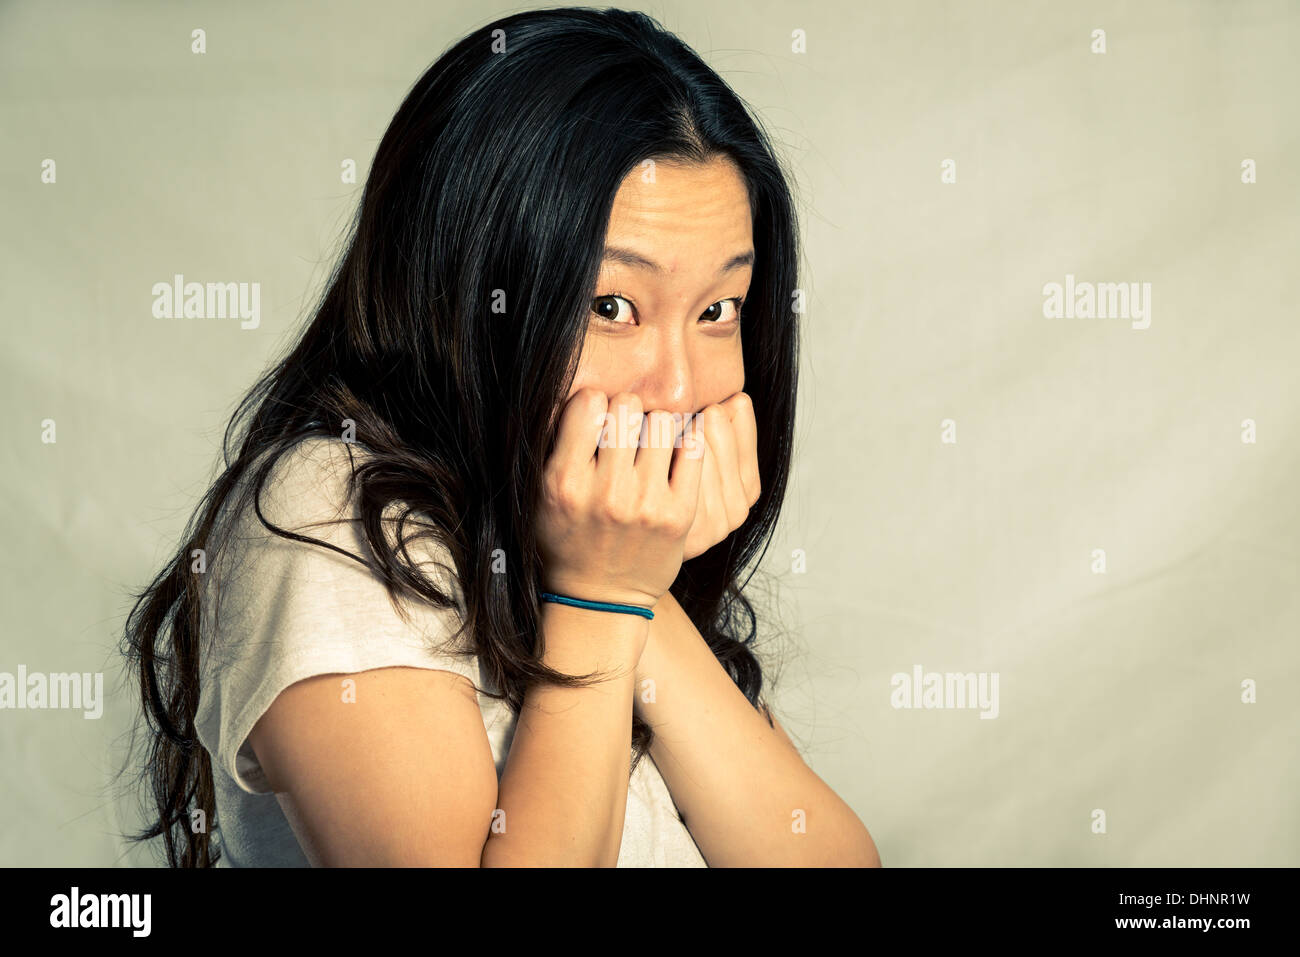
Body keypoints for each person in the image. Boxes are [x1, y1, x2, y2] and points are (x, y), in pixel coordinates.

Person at [118, 6, 881, 867]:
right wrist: (601, 599)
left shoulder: (596, 546)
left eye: (716, 310)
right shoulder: (330, 517)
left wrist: (632, 582)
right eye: (611, 307)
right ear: (472, 293)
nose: (676, 387)